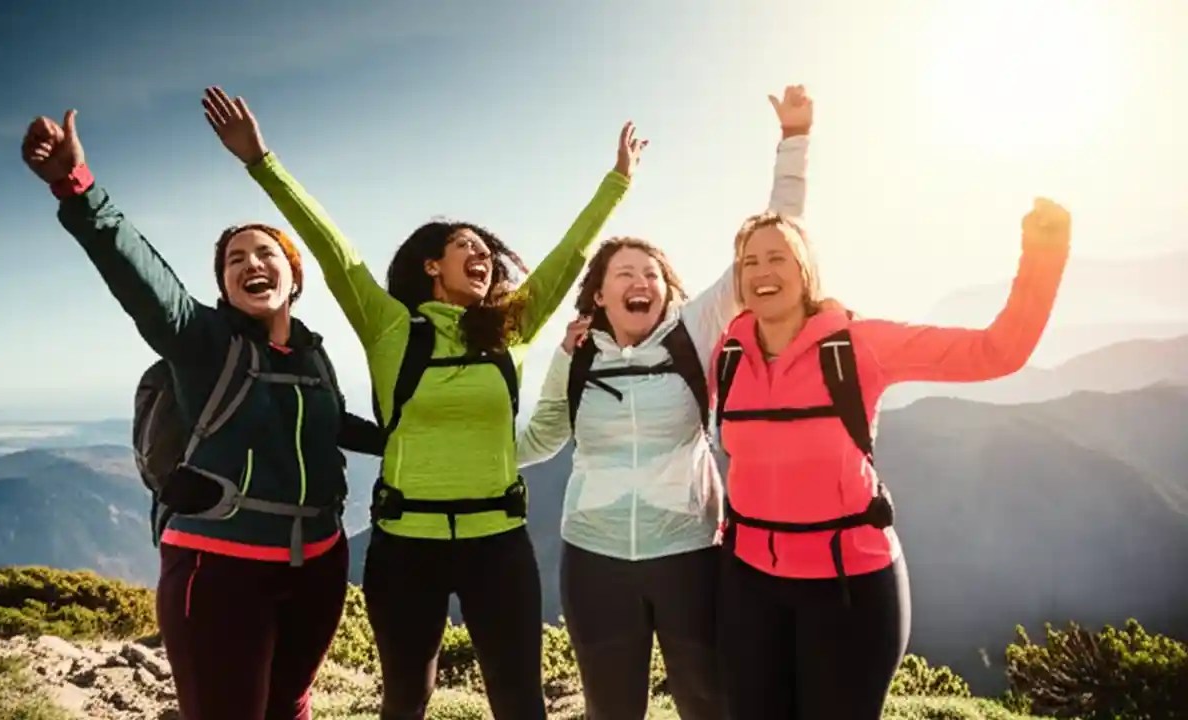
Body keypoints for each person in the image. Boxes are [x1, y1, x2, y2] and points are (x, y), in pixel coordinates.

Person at [201, 85, 643, 720]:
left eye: (487, 251)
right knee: (408, 698)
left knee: (521, 701)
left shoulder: (509, 329)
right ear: (433, 265)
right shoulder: (389, 327)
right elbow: (330, 248)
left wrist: (617, 183)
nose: (483, 256)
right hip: (407, 546)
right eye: (467, 246)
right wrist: (260, 161)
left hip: (500, 543)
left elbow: (568, 259)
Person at [20, 109, 383, 720]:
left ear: (294, 278)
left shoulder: (313, 356)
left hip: (320, 564)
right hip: (218, 569)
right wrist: (77, 187)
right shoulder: (203, 343)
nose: (250, 264)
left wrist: (416, 441)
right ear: (222, 285)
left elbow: (334, 426)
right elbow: (140, 277)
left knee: (291, 705)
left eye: (265, 253)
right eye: (234, 260)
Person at [709, 194, 1071, 717]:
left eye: (777, 257)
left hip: (847, 588)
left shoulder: (858, 345)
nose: (762, 271)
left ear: (806, 270)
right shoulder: (729, 354)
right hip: (748, 584)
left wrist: (1043, 252)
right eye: (749, 262)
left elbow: (997, 351)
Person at [516, 85, 814, 719]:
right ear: (597, 295)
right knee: (610, 707)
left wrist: (794, 141)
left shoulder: (695, 329)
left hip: (691, 553)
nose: (640, 282)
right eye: (623, 274)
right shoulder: (577, 355)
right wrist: (461, 454)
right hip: (594, 559)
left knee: (708, 702)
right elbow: (543, 435)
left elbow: (776, 238)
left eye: (651, 273)